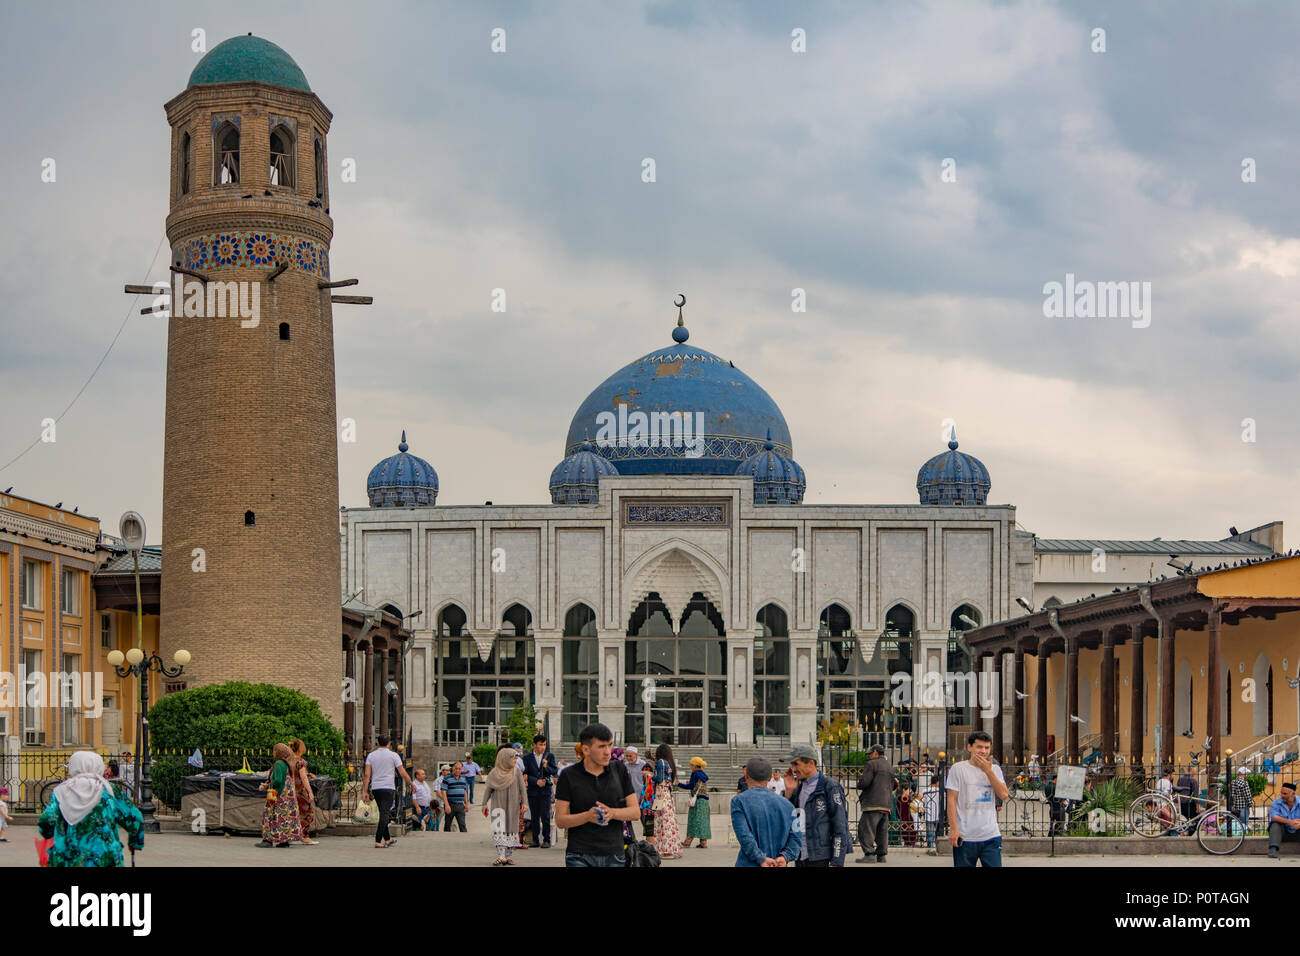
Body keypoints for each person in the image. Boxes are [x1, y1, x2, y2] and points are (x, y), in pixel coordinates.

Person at [37, 751, 144, 866]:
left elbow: (46, 821)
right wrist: (135, 842)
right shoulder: (109, 791)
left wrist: (49, 834)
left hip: (69, 858)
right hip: (105, 858)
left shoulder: (61, 792)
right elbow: (135, 817)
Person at [554, 722, 639, 867]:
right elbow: (560, 820)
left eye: (610, 745)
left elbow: (635, 812)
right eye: (601, 746)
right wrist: (587, 816)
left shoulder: (619, 770)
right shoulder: (568, 775)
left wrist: (612, 813)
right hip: (579, 854)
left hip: (614, 853)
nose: (608, 751)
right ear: (586, 749)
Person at [945, 730, 1008, 867]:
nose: (983, 751)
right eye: (979, 747)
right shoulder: (958, 769)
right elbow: (951, 800)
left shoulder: (995, 769)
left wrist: (988, 771)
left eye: (987, 748)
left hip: (990, 834)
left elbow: (1003, 794)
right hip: (965, 835)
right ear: (969, 747)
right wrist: (953, 828)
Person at [787, 743, 851, 867]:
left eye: (796, 764)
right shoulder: (797, 788)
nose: (793, 769)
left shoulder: (830, 786)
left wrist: (837, 861)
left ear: (811, 763)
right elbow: (791, 821)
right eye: (792, 765)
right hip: (800, 855)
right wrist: (789, 793)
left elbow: (840, 824)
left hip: (821, 856)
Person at [731, 756, 801, 867]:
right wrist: (785, 856)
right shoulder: (787, 805)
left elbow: (744, 836)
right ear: (769, 778)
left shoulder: (739, 801)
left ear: (746, 775)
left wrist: (760, 858)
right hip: (777, 863)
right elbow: (797, 836)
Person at [362, 733, 412, 848]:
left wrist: (365, 791)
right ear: (389, 743)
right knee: (384, 814)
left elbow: (367, 775)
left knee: (383, 812)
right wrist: (410, 783)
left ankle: (388, 839)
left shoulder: (371, 756)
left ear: (377, 743)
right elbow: (402, 772)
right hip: (388, 787)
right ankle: (378, 840)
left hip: (376, 788)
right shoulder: (393, 755)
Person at [483, 745, 528, 864]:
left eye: (516, 758)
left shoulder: (516, 771)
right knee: (499, 829)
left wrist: (525, 803)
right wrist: (484, 804)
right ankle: (501, 855)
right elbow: (489, 789)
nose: (515, 761)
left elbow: (522, 788)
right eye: (513, 758)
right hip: (498, 805)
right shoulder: (495, 772)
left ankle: (507, 856)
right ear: (505, 758)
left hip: (513, 806)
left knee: (511, 829)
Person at [255, 743, 303, 849]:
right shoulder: (287, 764)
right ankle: (284, 841)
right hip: (287, 797)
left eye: (275, 750)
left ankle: (268, 839)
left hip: (278, 795)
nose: (273, 753)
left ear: (278, 752)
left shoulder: (278, 764)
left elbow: (277, 780)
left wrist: (268, 786)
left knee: (270, 815)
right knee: (285, 818)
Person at [855, 743, 892, 864]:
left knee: (865, 828)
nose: (869, 756)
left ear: (875, 752)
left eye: (870, 753)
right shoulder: (889, 766)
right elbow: (896, 783)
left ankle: (869, 854)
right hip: (886, 804)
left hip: (873, 802)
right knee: (882, 830)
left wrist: (859, 783)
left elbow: (864, 782)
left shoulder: (872, 764)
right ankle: (881, 855)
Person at [522, 733, 559, 848]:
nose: (543, 747)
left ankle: (546, 840)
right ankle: (535, 839)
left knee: (545, 816)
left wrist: (546, 766)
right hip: (533, 791)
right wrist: (535, 781)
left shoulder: (549, 756)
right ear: (534, 745)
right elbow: (525, 773)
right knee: (534, 816)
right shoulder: (527, 758)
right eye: (540, 744)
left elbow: (554, 771)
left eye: (544, 744)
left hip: (545, 791)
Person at [652, 743, 683, 859]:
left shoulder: (660, 762)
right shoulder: (670, 763)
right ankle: (671, 848)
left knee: (662, 820)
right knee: (669, 821)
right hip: (668, 793)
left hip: (661, 792)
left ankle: (664, 850)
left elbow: (659, 778)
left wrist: (650, 775)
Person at [289, 738, 318, 844]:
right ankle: (305, 835)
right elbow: (303, 778)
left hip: (290, 790)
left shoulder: (287, 761)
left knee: (292, 813)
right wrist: (310, 792)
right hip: (300, 790)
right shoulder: (300, 762)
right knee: (307, 812)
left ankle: (292, 835)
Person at [681, 756, 711, 848]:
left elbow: (690, 786)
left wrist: (678, 784)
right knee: (703, 821)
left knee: (693, 820)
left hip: (697, 801)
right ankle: (703, 842)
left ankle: (687, 841)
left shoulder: (695, 774)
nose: (690, 766)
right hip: (705, 801)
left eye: (691, 764)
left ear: (695, 765)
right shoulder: (703, 774)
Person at [1268, 781, 1300, 859]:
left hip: (1298, 831)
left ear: (1293, 794)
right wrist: (1290, 822)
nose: (1282, 796)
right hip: (1283, 833)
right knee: (1275, 824)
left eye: (1285, 794)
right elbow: (1274, 817)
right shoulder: (1276, 803)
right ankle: (1273, 849)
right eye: (1281, 793)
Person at [441, 761, 471, 832]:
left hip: (460, 805)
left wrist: (466, 803)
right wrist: (447, 805)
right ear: (453, 768)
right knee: (447, 825)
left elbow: (465, 791)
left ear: (461, 769)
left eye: (459, 769)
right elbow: (443, 792)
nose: (457, 770)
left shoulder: (463, 778)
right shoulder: (447, 778)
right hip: (450, 804)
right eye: (456, 768)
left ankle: (464, 841)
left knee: (462, 825)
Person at [1228, 766, 1253, 832]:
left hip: (1236, 805)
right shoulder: (1244, 783)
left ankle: (1238, 834)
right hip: (1244, 805)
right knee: (1244, 823)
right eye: (1246, 773)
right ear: (1244, 774)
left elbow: (1232, 794)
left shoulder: (1233, 782)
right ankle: (1244, 834)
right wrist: (1251, 804)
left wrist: (1233, 804)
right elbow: (1247, 795)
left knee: (1238, 823)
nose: (1246, 775)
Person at [919, 778, 940, 851]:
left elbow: (922, 802)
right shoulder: (940, 791)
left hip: (929, 813)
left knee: (930, 832)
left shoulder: (925, 791)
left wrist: (922, 808)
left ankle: (930, 847)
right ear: (937, 782)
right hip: (938, 813)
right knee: (938, 832)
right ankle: (937, 846)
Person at [639, 764, 656, 839]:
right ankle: (649, 838)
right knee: (646, 821)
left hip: (649, 805)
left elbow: (648, 793)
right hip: (647, 804)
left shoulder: (650, 780)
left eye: (645, 771)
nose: (642, 772)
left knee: (649, 821)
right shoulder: (647, 781)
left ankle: (650, 839)